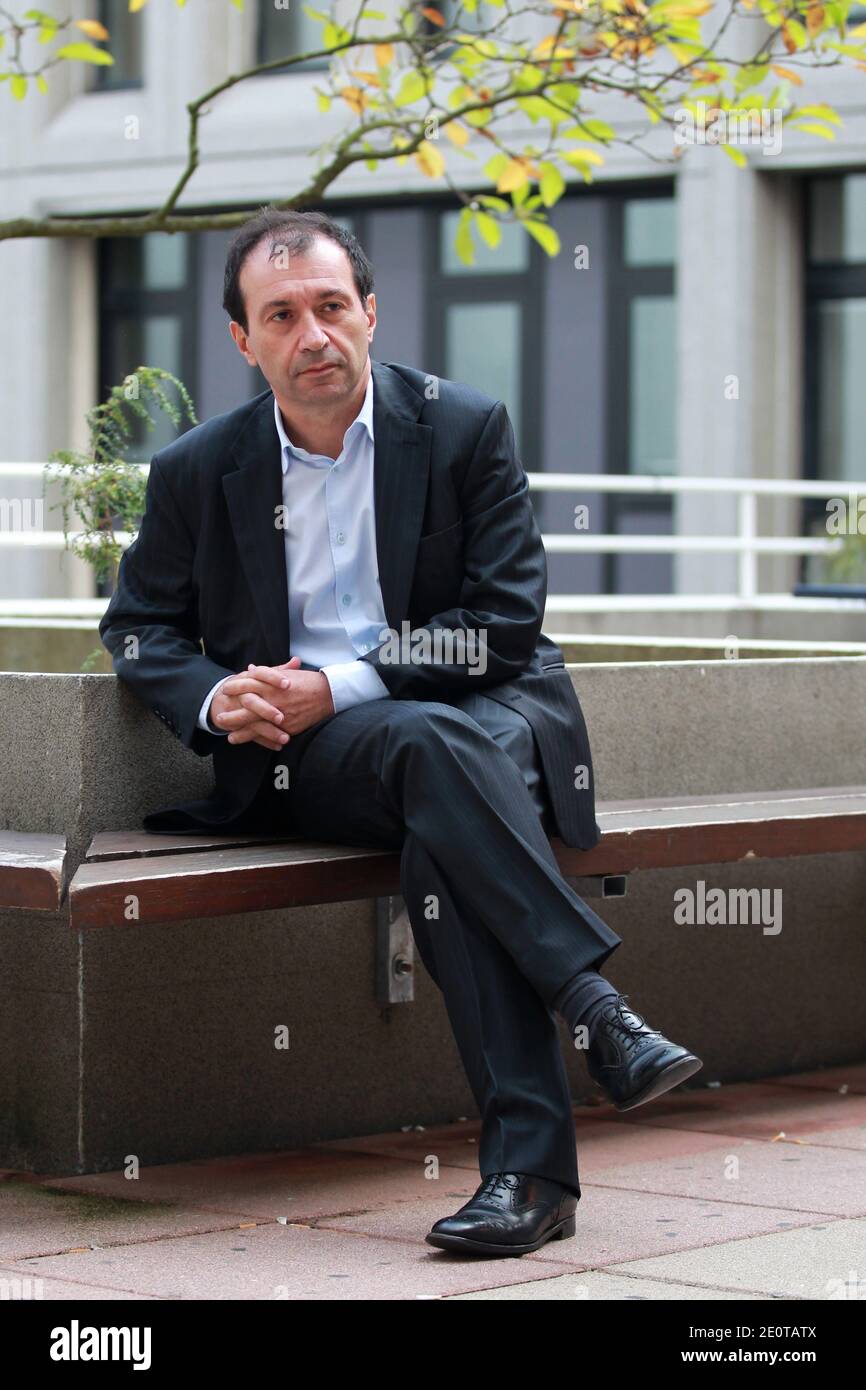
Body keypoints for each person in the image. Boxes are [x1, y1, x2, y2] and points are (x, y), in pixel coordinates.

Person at [99, 206, 702, 1259]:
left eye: (331, 306)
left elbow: (502, 626)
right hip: (316, 760)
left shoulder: (462, 426)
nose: (312, 334)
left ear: (370, 313)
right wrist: (209, 697)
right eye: (280, 315)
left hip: (486, 716)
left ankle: (531, 1174)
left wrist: (339, 682)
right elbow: (138, 628)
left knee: (440, 785)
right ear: (244, 341)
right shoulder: (198, 469)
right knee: (430, 770)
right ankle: (593, 1012)